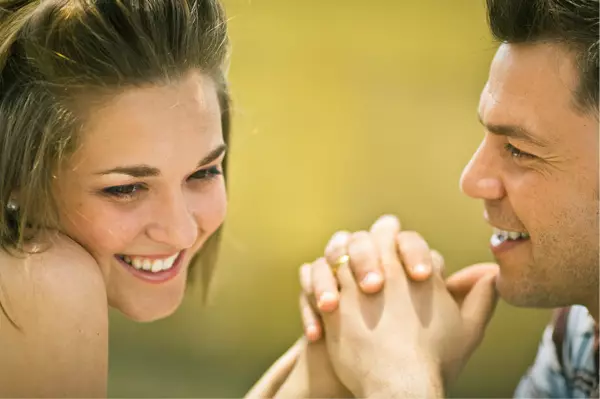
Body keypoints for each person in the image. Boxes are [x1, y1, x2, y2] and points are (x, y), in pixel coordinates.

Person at [251, 0, 599, 397]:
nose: (472, 180)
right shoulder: (579, 337)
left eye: (519, 149)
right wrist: (341, 359)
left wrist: (399, 378)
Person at [0, 0, 231, 396]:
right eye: (126, 189)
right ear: (16, 173)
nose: (180, 232)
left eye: (203, 172)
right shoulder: (44, 282)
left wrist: (321, 361)